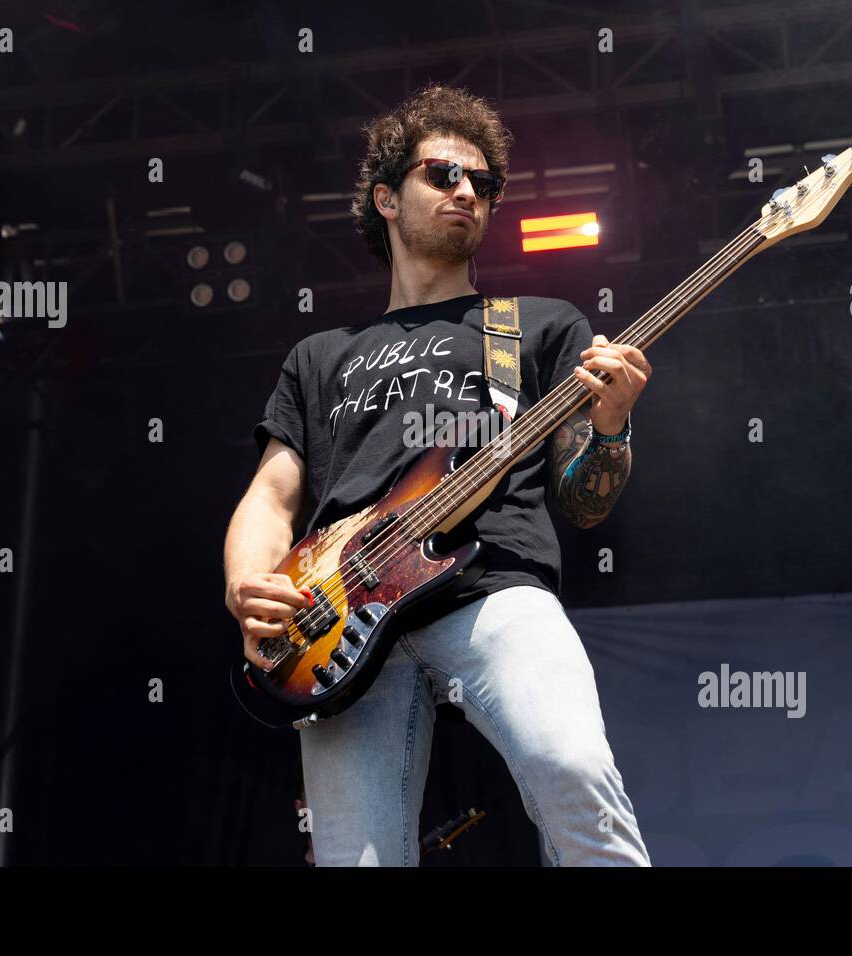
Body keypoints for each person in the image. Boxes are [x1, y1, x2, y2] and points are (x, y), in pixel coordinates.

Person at [224, 83, 651, 866]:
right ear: (386, 197)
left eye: (484, 184)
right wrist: (249, 583)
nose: (468, 192)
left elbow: (584, 501)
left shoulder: (537, 325)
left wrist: (613, 428)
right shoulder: (320, 355)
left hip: (495, 590)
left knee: (574, 771)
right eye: (444, 174)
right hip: (336, 621)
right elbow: (271, 493)